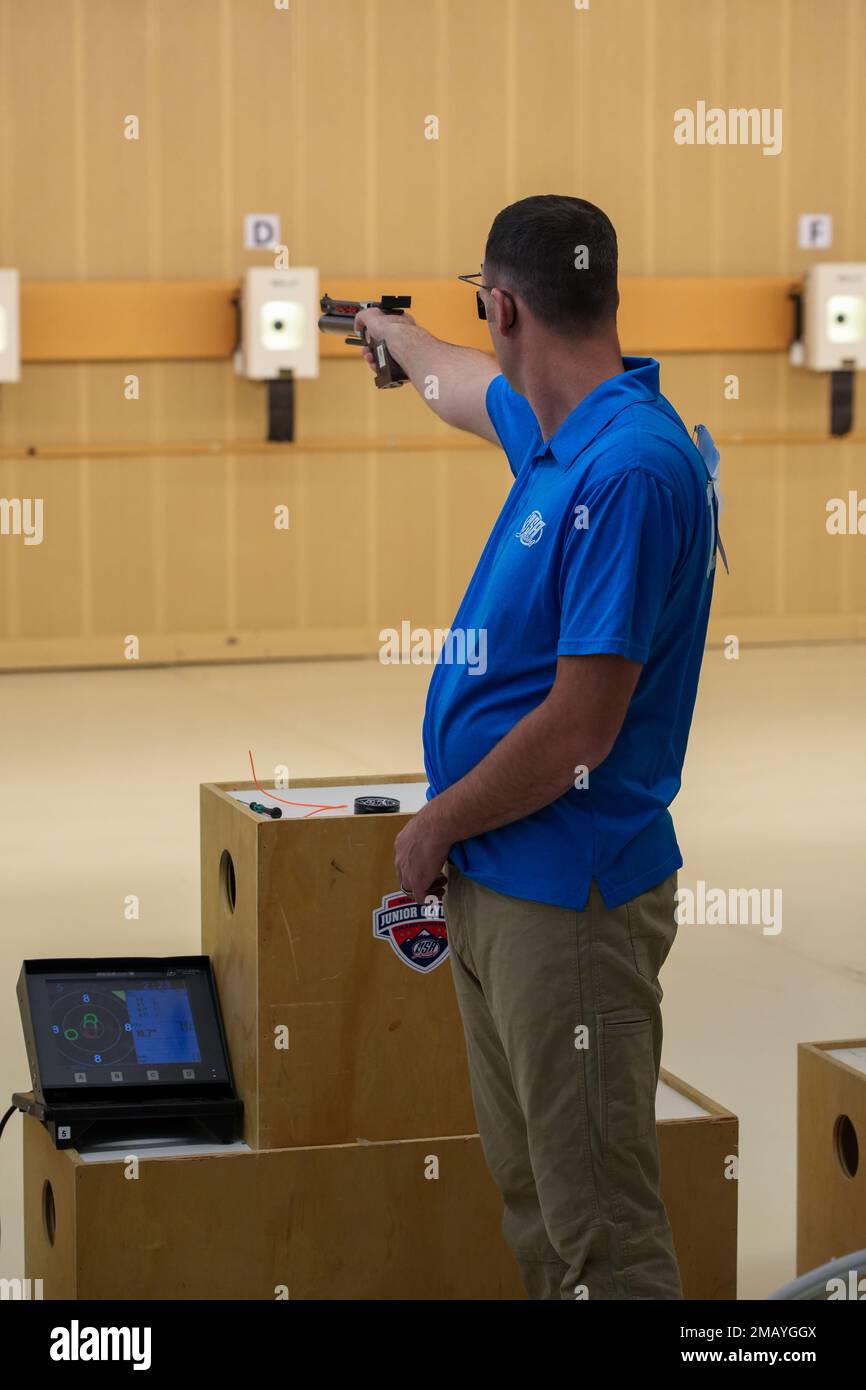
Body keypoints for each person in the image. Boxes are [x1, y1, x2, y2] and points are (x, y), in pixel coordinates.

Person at [355, 194, 719, 1301]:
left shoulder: (625, 472)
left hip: (566, 898)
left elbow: (579, 728)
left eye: (481, 307)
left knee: (599, 1237)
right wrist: (392, 334)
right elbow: (454, 382)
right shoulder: (565, 435)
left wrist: (434, 826)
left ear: (502, 302)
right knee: (539, 1208)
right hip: (510, 884)